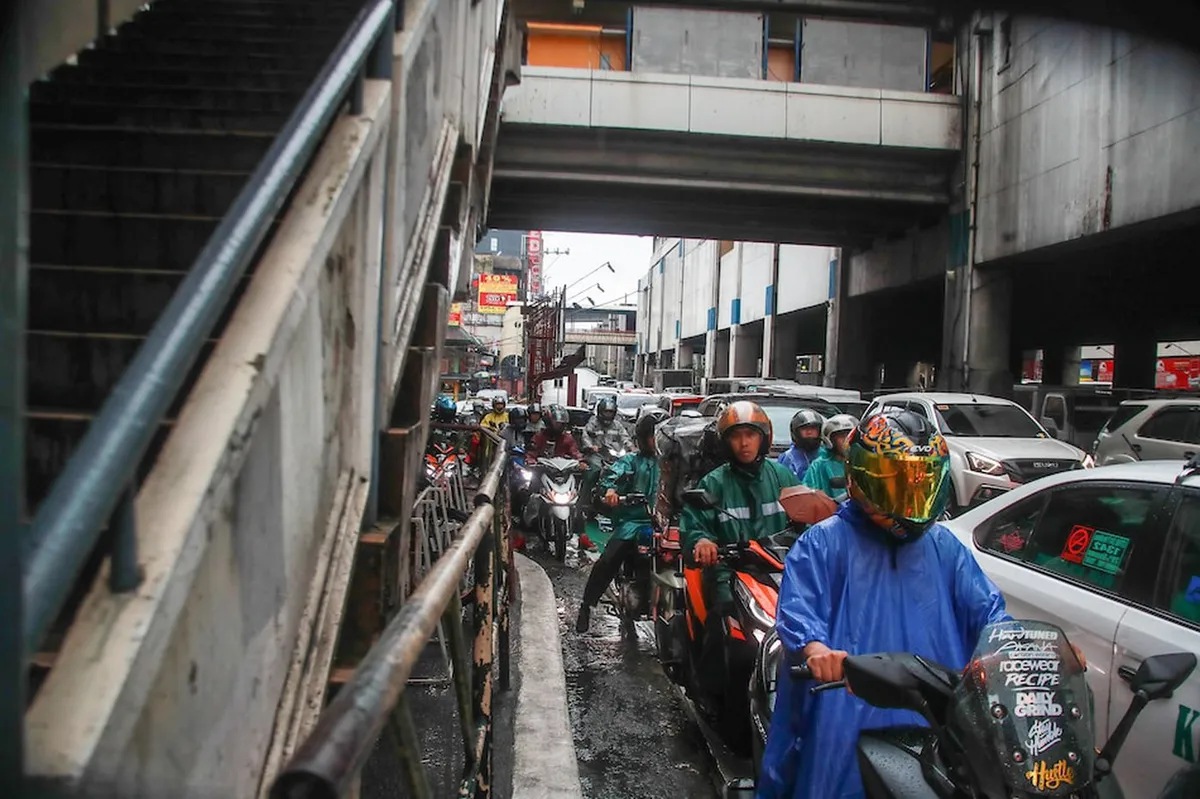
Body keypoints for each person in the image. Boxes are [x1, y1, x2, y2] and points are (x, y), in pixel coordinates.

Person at [758, 409, 1010, 799]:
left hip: (937, 709)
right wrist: (817, 650)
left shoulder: (944, 546)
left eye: (921, 484)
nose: (911, 499)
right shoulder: (823, 543)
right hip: (844, 704)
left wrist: (1019, 649)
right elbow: (798, 612)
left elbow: (989, 611)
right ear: (863, 479)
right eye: (896, 485)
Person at [680, 401, 799, 701]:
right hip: (730, 572)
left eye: (750, 434)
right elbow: (695, 525)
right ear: (726, 442)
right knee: (724, 625)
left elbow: (806, 518)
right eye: (736, 436)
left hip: (779, 572)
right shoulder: (715, 482)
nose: (744, 443)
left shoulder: (782, 476)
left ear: (763, 438)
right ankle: (708, 694)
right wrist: (703, 542)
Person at [575, 411, 664, 632]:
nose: (656, 441)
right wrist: (611, 491)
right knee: (608, 560)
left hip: (664, 525)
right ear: (643, 438)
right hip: (633, 523)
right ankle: (586, 605)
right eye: (652, 436)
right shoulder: (631, 461)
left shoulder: (670, 463)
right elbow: (611, 476)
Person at [581, 396, 633, 507]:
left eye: (610, 412)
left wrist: (631, 447)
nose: (608, 415)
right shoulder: (593, 423)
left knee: (627, 471)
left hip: (614, 456)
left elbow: (625, 437)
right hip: (597, 455)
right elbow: (585, 436)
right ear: (600, 411)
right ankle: (584, 501)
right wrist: (591, 447)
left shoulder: (617, 425)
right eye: (606, 412)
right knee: (593, 471)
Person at [800, 413, 858, 502]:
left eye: (850, 435)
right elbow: (809, 497)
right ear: (830, 440)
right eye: (841, 436)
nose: (846, 440)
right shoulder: (819, 465)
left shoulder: (864, 462)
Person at [776, 409, 825, 482]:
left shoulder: (826, 455)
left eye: (813, 428)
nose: (809, 432)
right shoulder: (788, 457)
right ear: (795, 432)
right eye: (804, 429)